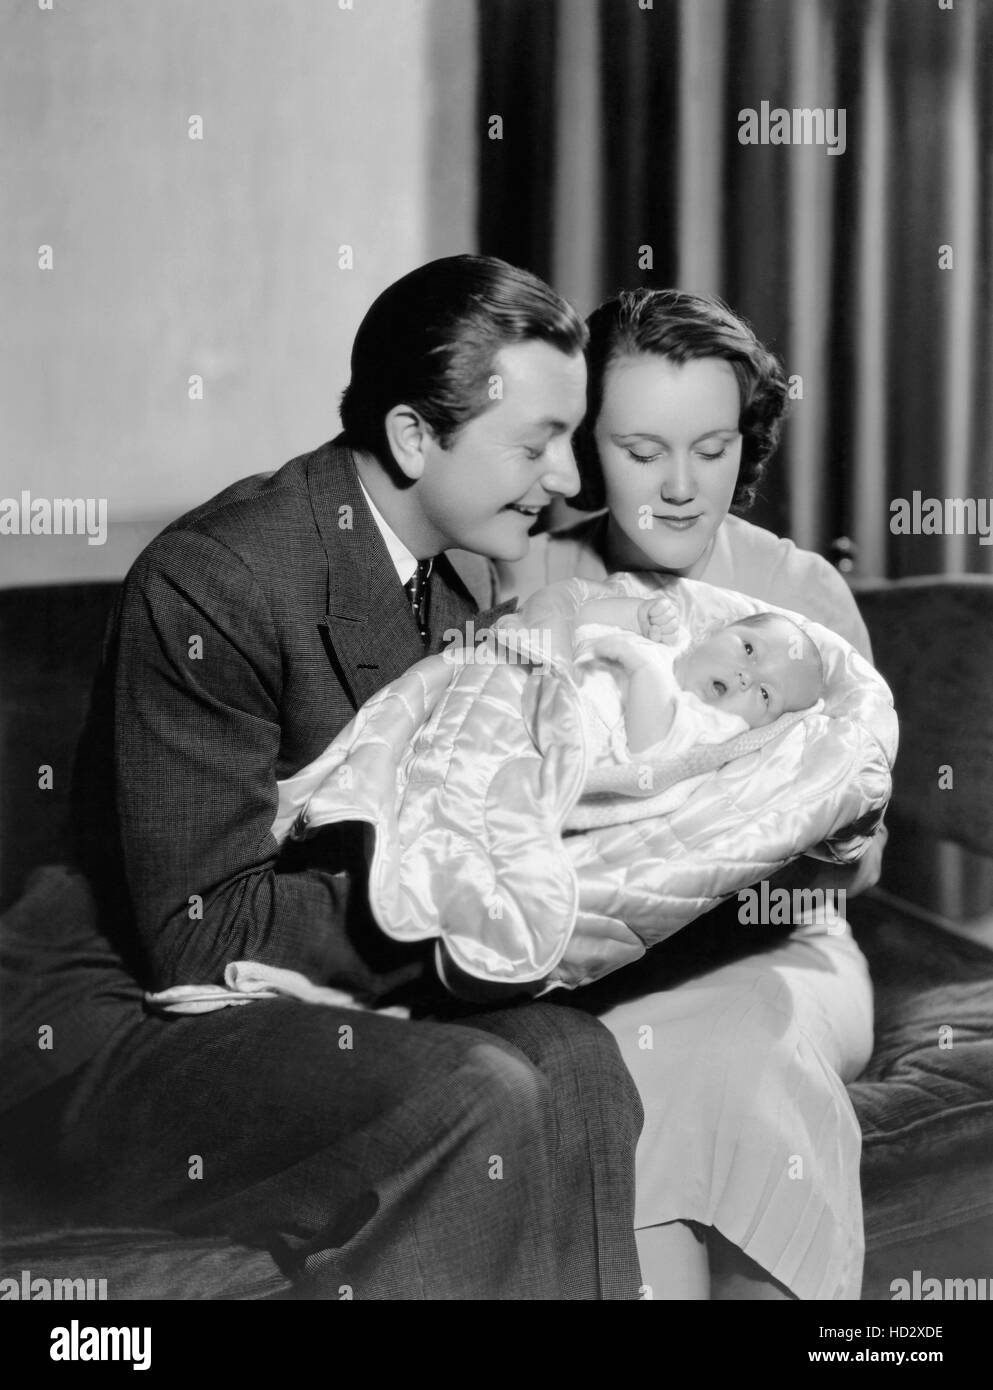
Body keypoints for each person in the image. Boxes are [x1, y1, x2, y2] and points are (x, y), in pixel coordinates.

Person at [0, 256, 644, 1300]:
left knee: (577, 1064)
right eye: (536, 444)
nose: (571, 479)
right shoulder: (220, 577)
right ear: (411, 436)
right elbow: (205, 937)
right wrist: (487, 903)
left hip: (298, 996)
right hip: (120, 1029)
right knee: (480, 1096)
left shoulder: (455, 570)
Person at [498, 287, 881, 1301]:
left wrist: (837, 836)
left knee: (735, 1050)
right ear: (583, 445)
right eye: (638, 450)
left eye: (710, 449)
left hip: (782, 950)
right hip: (592, 972)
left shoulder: (801, 594)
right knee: (617, 1075)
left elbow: (858, 868)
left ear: (744, 444)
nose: (678, 487)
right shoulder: (525, 575)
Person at [573, 591, 823, 759]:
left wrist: (643, 672)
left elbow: (646, 750)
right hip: (551, 673)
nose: (747, 677)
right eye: (749, 649)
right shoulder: (670, 638)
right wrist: (637, 615)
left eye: (766, 694)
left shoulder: (707, 725)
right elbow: (581, 620)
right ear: (714, 630)